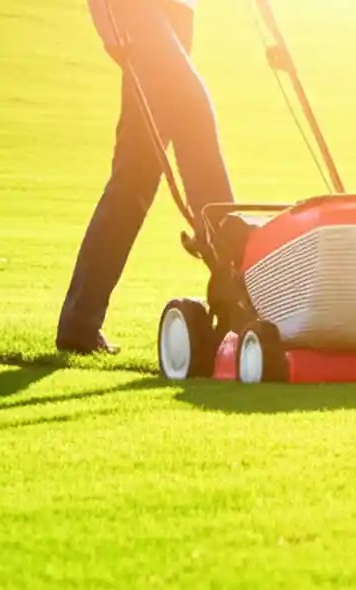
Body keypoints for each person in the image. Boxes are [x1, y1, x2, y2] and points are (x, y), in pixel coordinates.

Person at [57, 0, 236, 355]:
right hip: (135, 8)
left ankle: (79, 324)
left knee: (136, 174)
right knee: (194, 112)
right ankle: (233, 266)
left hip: (179, 10)